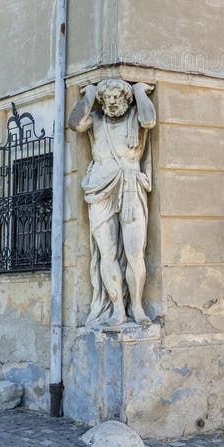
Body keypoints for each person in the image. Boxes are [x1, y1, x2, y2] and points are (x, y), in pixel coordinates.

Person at [68, 78, 156, 327]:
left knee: (134, 253)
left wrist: (139, 91)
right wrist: (90, 95)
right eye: (107, 98)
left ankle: (137, 308)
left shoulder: (136, 117)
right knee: (107, 254)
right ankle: (118, 310)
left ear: (126, 99)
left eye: (118, 96)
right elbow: (75, 123)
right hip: (100, 188)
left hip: (129, 186)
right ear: (102, 101)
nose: (113, 101)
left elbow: (149, 120)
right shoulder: (96, 120)